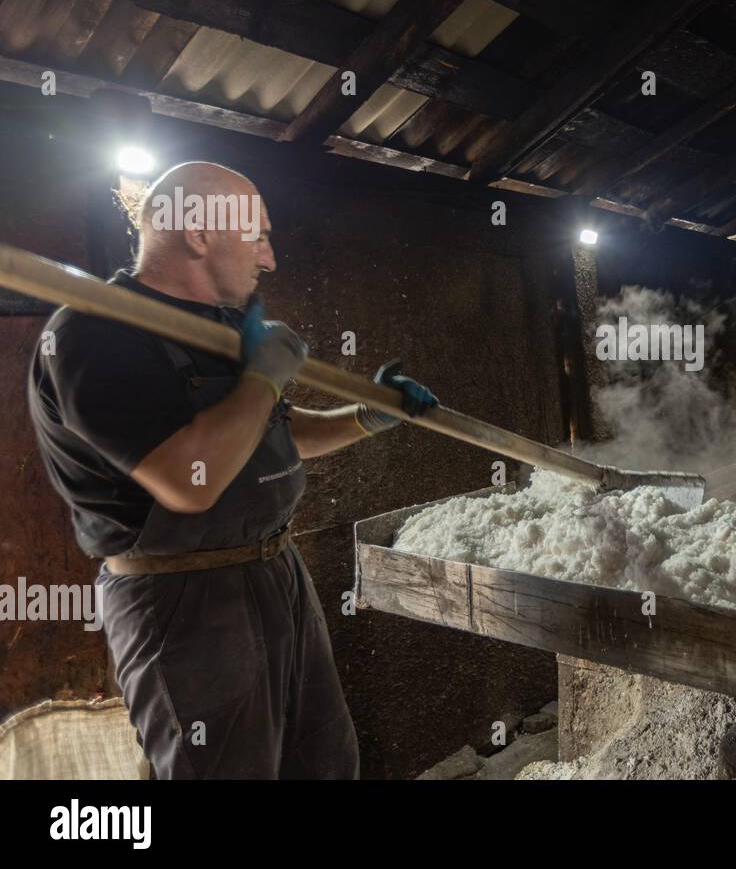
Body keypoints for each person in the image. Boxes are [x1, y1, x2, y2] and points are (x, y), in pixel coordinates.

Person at [27, 161, 436, 778]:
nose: (268, 259)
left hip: (276, 573)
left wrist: (364, 416)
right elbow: (192, 478)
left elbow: (268, 431)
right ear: (198, 233)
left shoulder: (220, 329)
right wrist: (261, 377)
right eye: (259, 236)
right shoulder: (94, 332)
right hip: (183, 600)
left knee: (325, 764)